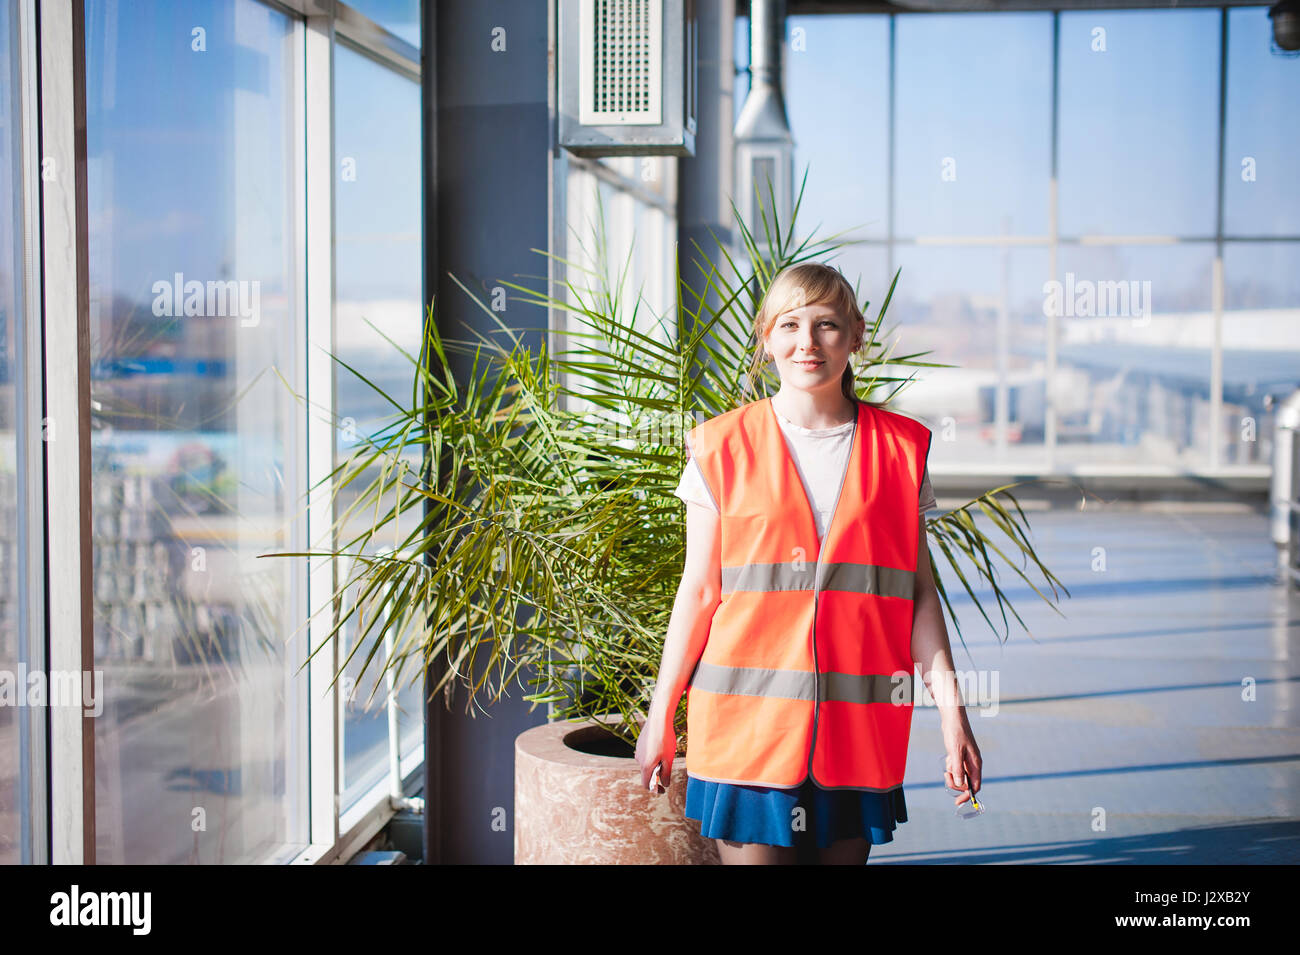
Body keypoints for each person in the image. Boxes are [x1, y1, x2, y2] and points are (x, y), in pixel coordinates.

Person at [634, 262, 982, 866]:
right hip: (748, 733)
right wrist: (661, 714)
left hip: (858, 736)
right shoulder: (720, 447)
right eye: (790, 324)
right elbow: (698, 592)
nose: (807, 341)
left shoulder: (901, 452)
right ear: (766, 337)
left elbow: (918, 598)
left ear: (856, 335)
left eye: (826, 324)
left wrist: (954, 717)